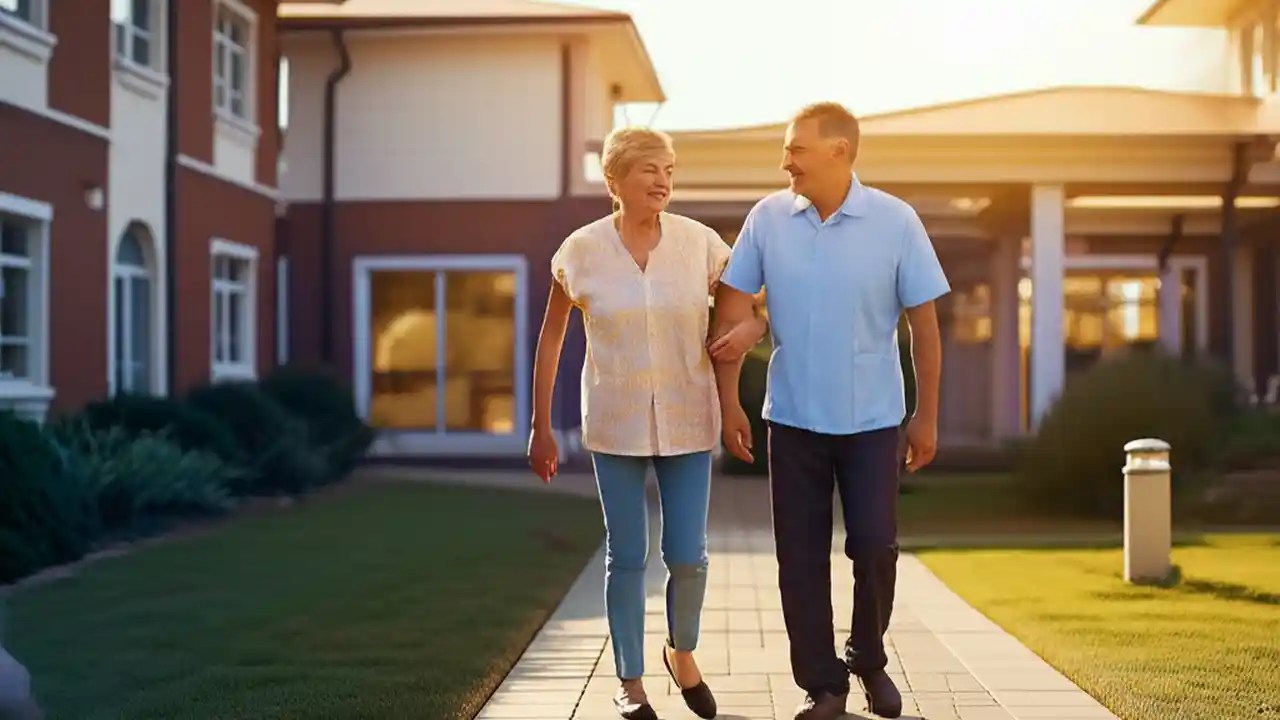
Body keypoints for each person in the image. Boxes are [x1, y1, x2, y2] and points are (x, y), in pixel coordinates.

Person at [709, 102, 950, 720]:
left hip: (874, 421)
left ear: (839, 152)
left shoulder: (896, 221)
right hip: (791, 421)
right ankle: (824, 685)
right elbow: (733, 313)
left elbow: (925, 326)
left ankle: (867, 657)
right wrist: (730, 402)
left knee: (874, 545)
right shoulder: (766, 219)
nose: (784, 161)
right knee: (800, 556)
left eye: (796, 149)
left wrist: (925, 416)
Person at [528, 126, 767, 720]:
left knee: (688, 555)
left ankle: (680, 653)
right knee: (626, 554)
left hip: (689, 418)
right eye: (649, 170)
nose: (663, 180)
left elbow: (752, 310)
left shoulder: (700, 245)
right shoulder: (579, 251)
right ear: (616, 180)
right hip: (614, 421)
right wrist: (539, 425)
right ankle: (629, 684)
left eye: (669, 170)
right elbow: (553, 335)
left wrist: (752, 334)